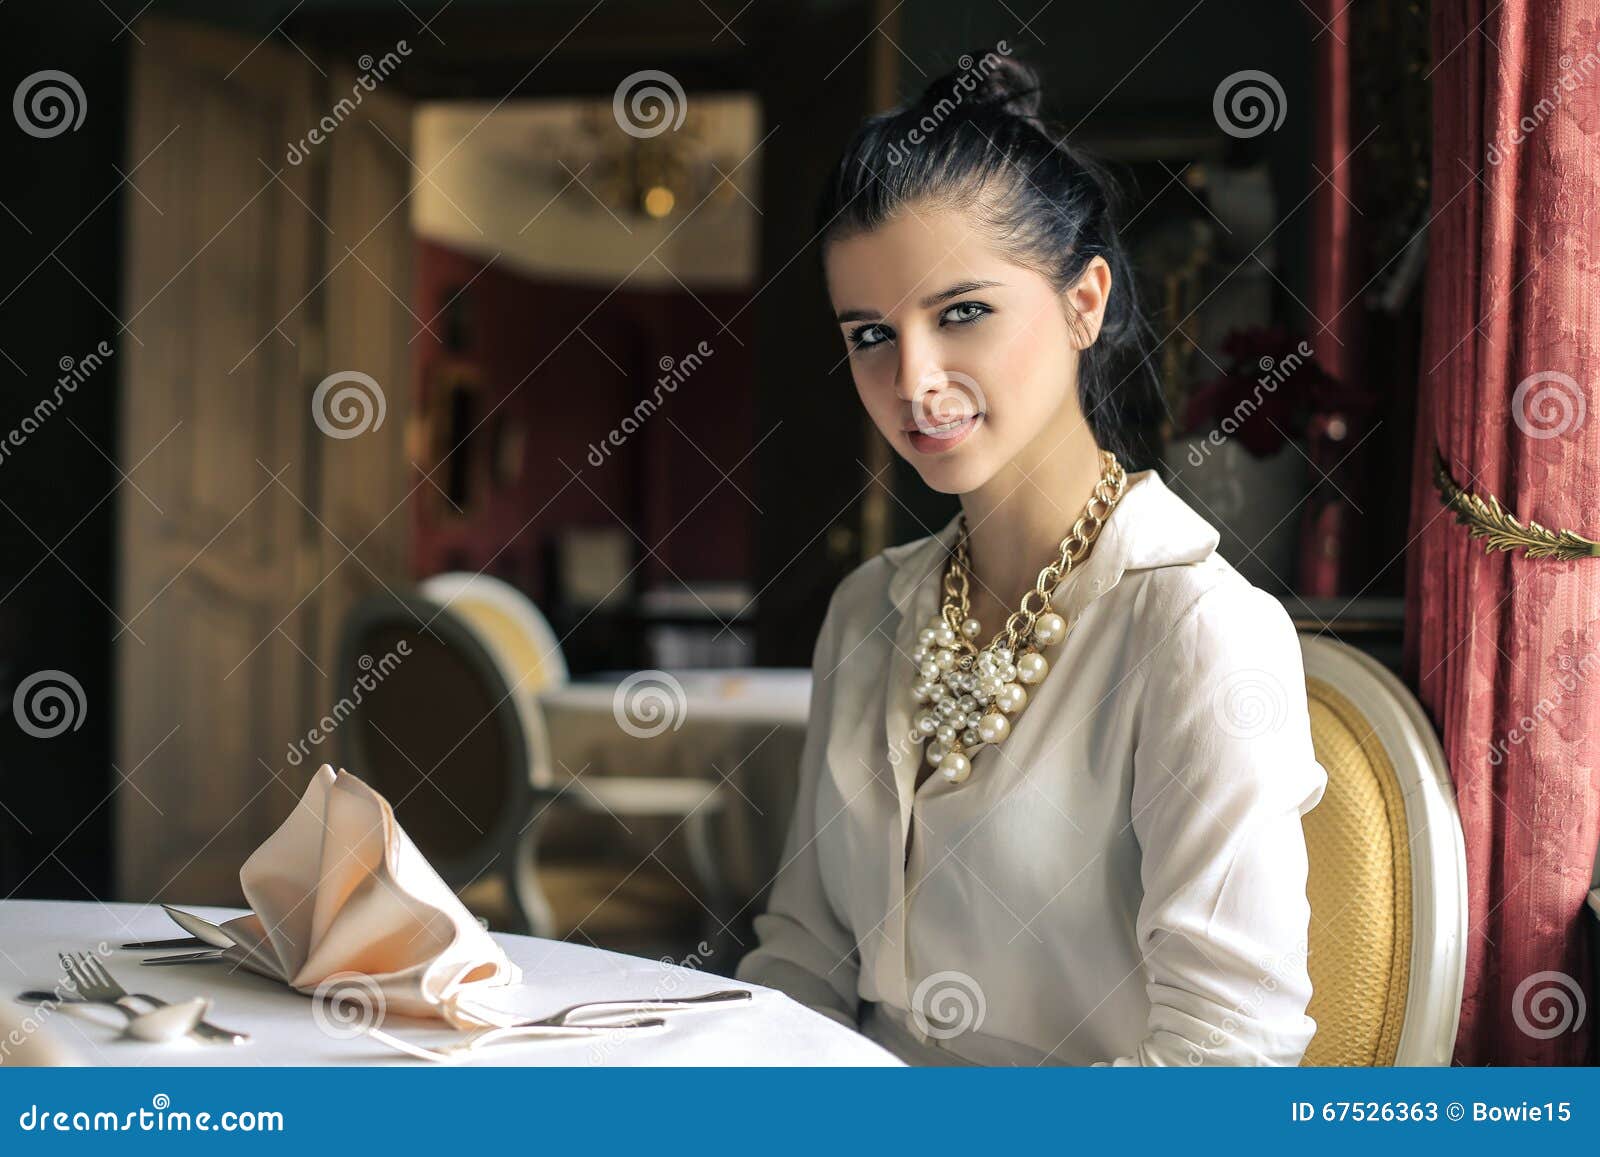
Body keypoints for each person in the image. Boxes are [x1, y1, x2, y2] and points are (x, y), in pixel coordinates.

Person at [733, 47, 1328, 1066]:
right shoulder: (867, 609)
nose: (912, 379)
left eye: (961, 312)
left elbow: (1226, 1063)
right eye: (870, 334)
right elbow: (803, 959)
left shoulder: (1198, 632)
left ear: (1084, 301)